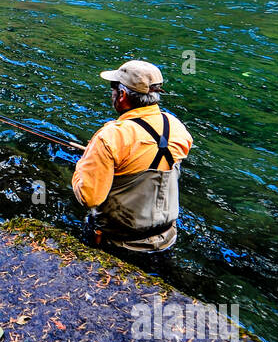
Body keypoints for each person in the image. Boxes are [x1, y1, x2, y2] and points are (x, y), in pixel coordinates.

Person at [72, 59, 193, 253]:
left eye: (113, 87)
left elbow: (89, 198)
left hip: (118, 243)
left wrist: (84, 164)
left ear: (122, 95)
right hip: (167, 238)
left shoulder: (111, 137)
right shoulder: (177, 127)